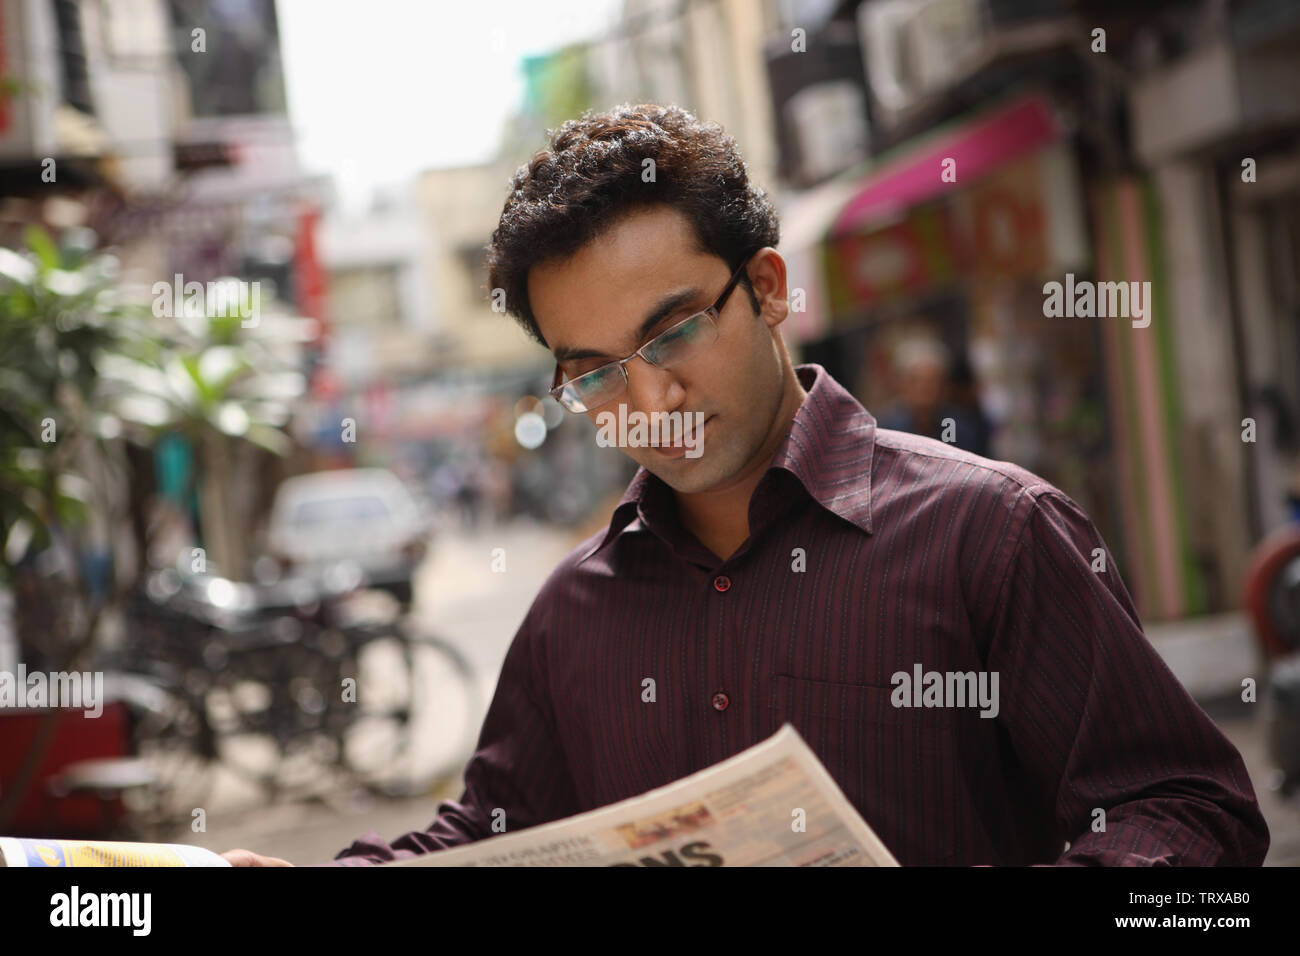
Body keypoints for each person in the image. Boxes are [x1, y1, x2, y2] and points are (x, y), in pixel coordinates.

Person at [224, 104, 1268, 867]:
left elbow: (1184, 812)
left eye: (673, 328)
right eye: (591, 368)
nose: (649, 392)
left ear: (766, 289)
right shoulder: (572, 613)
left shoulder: (990, 534)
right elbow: (493, 825)